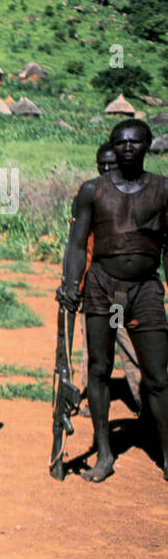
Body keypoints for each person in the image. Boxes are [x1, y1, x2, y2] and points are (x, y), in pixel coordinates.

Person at [57, 120, 168, 482]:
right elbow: (76, 244)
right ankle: (104, 454)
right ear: (112, 147)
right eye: (121, 143)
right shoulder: (92, 190)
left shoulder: (163, 189)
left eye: (136, 142)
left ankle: (167, 455)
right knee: (99, 369)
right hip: (103, 286)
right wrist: (71, 284)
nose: (128, 148)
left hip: (145, 288)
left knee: (158, 376)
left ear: (148, 145)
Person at [79, 143, 143, 413]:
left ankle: (146, 400)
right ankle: (89, 399)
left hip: (118, 292)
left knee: (126, 343)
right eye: (101, 164)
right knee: (92, 349)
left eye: (111, 164)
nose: (105, 169)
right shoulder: (91, 198)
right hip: (92, 288)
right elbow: (82, 247)